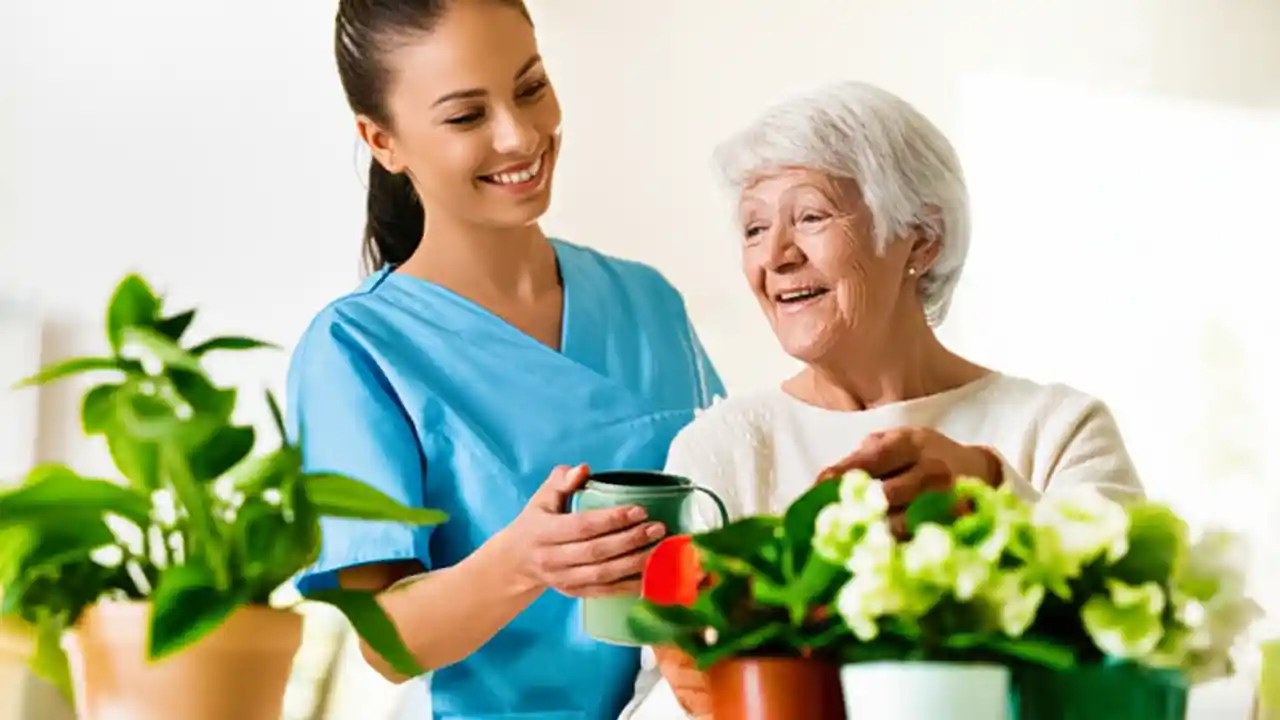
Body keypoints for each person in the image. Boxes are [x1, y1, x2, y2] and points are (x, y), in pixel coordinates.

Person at [622, 80, 1146, 718]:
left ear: (921, 239)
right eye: (756, 227)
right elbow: (662, 694)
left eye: (811, 217)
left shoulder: (1060, 429)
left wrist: (986, 488)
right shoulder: (723, 447)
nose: (777, 257)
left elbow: (1134, 650)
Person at [284, 1, 724, 718]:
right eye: (465, 117)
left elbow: (734, 507)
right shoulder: (358, 349)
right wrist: (524, 561)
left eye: (530, 88)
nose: (520, 136)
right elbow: (386, 645)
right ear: (382, 140)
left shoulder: (649, 304)